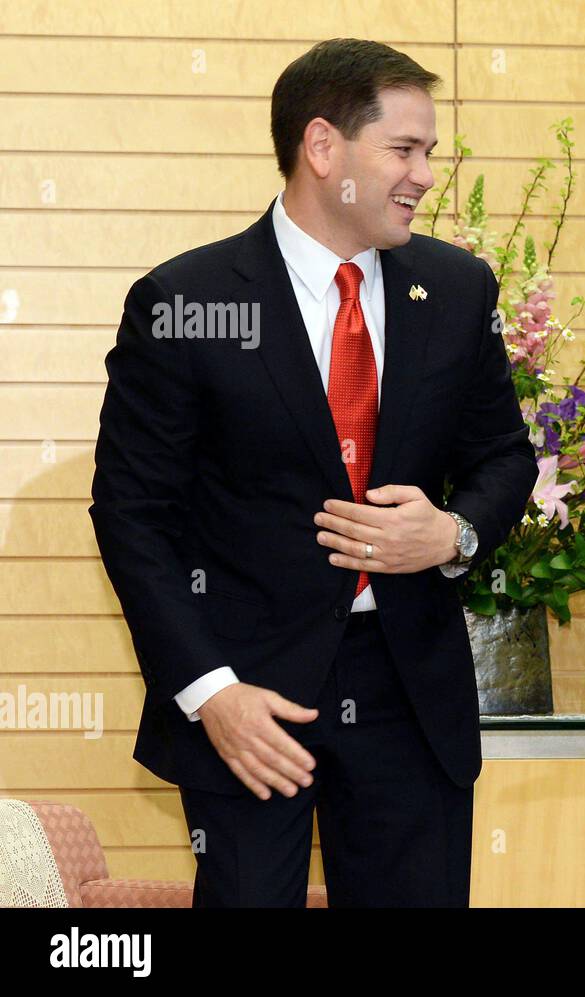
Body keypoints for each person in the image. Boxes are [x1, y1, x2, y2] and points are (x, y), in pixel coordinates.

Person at [89, 38, 536, 907]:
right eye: (404, 151)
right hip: (249, 697)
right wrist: (209, 692)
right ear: (323, 148)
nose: (424, 176)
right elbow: (131, 514)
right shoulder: (185, 301)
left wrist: (455, 531)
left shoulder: (456, 289)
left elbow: (505, 457)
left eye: (429, 155)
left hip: (410, 690)